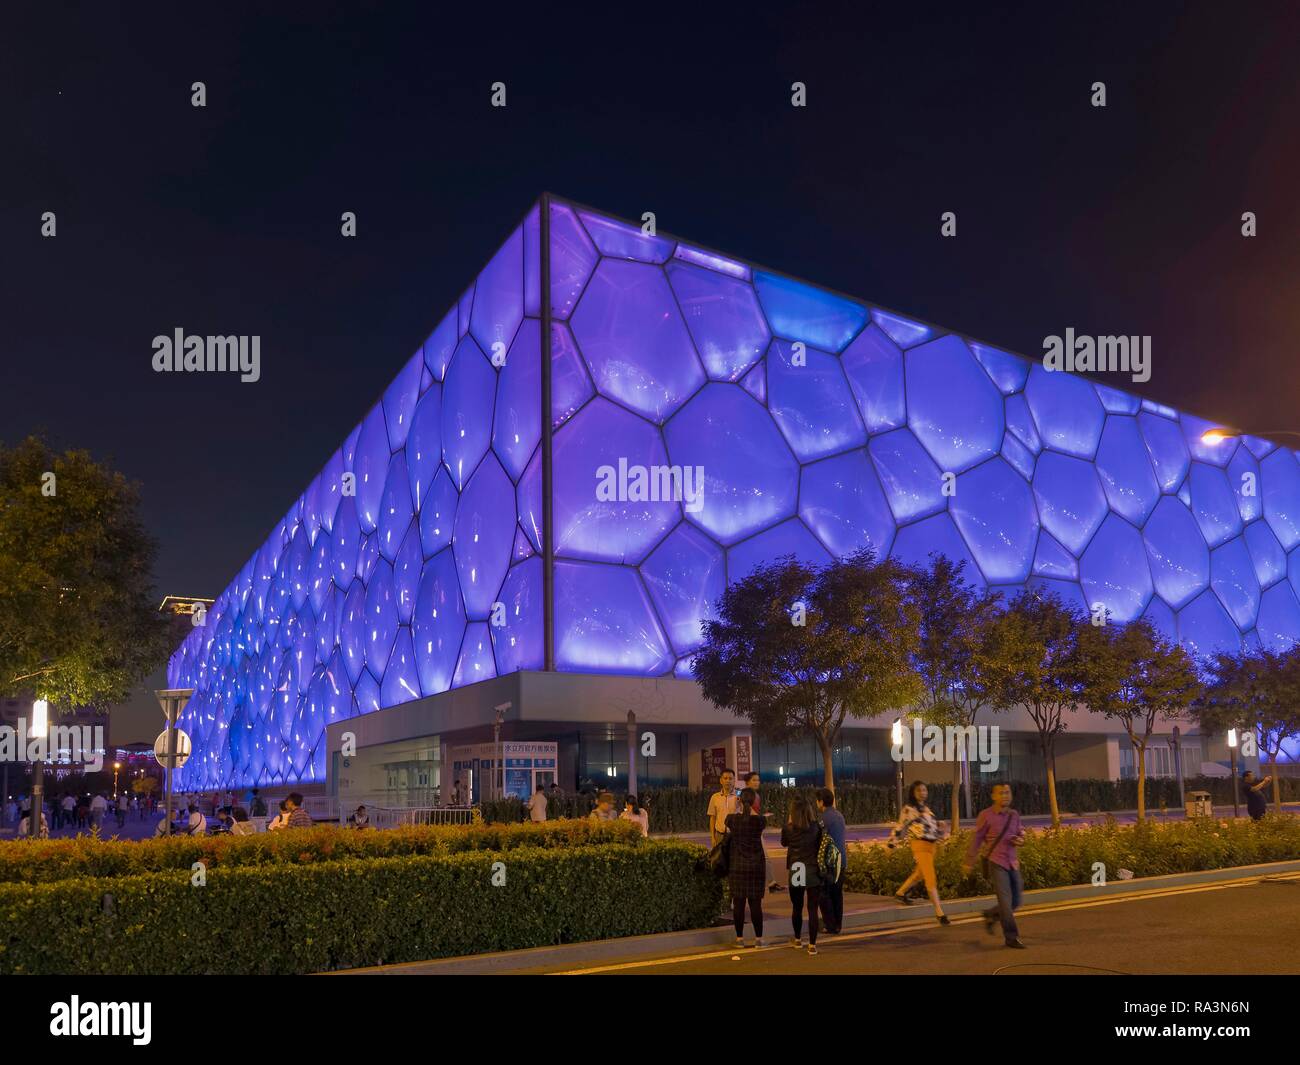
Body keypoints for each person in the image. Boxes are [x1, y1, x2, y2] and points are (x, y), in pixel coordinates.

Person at [963, 782, 1027, 949]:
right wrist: (969, 861)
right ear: (993, 796)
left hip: (1013, 862)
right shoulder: (986, 815)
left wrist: (1021, 839)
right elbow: (977, 839)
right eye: (1001, 793)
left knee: (1017, 901)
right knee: (1005, 902)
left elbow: (1021, 832)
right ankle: (1011, 937)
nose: (1005, 795)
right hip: (997, 862)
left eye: (1007, 792)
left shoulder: (1014, 814)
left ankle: (990, 914)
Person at [888, 781, 949, 924]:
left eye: (924, 790)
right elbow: (899, 826)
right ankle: (939, 913)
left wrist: (940, 827)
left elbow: (931, 828)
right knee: (930, 877)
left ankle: (900, 893)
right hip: (920, 845)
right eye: (919, 790)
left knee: (919, 873)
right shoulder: (909, 809)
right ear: (913, 793)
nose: (922, 792)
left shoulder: (926, 809)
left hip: (931, 846)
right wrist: (891, 844)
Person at [780, 797, 824, 955]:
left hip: (796, 868)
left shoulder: (788, 828)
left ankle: (798, 939)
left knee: (797, 907)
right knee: (812, 909)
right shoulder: (815, 827)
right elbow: (819, 845)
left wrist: (789, 823)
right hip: (812, 868)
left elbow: (784, 843)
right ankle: (812, 945)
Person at [725, 787, 767, 947]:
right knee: (756, 905)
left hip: (737, 867)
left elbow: (727, 820)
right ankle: (758, 939)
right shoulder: (760, 821)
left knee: (739, 904)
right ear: (754, 802)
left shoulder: (733, 820)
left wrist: (738, 806)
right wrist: (750, 807)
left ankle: (739, 939)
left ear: (740, 801)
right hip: (756, 868)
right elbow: (756, 816)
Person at [815, 787, 847, 934]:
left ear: (821, 802)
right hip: (841, 860)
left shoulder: (822, 819)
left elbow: (820, 840)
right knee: (837, 894)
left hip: (829, 863)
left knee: (824, 894)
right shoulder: (839, 815)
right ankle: (838, 924)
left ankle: (829, 925)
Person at [707, 768, 738, 847]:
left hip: (736, 835)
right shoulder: (715, 797)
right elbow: (712, 818)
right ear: (721, 781)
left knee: (735, 859)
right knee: (720, 859)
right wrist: (713, 837)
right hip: (720, 836)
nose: (728, 781)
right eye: (725, 778)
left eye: (730, 778)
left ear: (734, 781)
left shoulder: (739, 796)